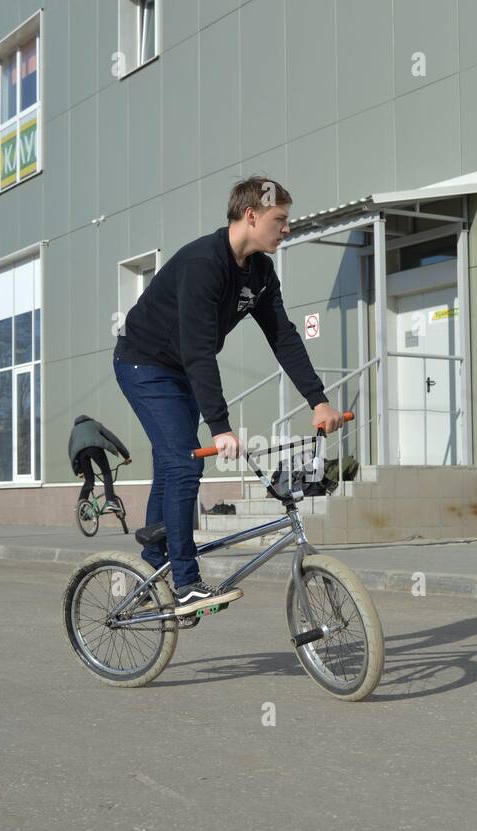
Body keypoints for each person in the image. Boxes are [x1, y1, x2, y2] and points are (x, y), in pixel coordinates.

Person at [113, 176, 344, 617]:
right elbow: (200, 348)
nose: (287, 229)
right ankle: (184, 583)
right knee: (184, 461)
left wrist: (318, 400)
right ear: (251, 215)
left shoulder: (259, 273)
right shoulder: (204, 263)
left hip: (182, 369)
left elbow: (283, 336)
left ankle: (154, 563)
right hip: (144, 363)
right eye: (281, 220)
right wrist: (220, 427)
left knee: (174, 459)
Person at [68, 415, 131, 510]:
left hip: (80, 453)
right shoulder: (95, 424)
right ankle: (110, 501)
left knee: (89, 480)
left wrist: (80, 470)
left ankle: (80, 507)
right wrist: (126, 455)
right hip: (95, 448)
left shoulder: (74, 431)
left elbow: (71, 451)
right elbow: (112, 438)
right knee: (106, 473)